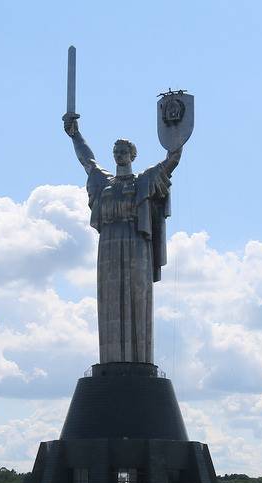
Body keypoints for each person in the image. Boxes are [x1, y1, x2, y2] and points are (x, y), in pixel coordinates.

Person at [63, 112, 182, 364]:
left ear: (132, 155)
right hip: (108, 244)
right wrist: (75, 135)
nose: (118, 155)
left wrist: (177, 136)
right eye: (116, 151)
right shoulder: (103, 182)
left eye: (123, 151)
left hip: (136, 241)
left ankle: (138, 360)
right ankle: (112, 359)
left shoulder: (145, 180)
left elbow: (171, 161)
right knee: (109, 299)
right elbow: (87, 160)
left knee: (137, 295)